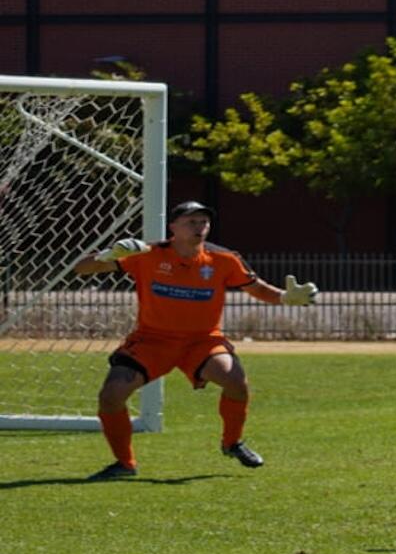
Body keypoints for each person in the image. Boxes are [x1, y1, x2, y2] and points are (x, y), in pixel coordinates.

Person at [72, 200, 319, 480]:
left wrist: (286, 298)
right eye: (191, 222)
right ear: (173, 228)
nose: (199, 227)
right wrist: (107, 255)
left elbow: (257, 288)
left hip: (203, 342)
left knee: (237, 382)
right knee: (111, 396)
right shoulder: (146, 254)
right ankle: (124, 464)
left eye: (204, 222)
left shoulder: (224, 259)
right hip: (152, 341)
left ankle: (232, 443)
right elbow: (80, 268)